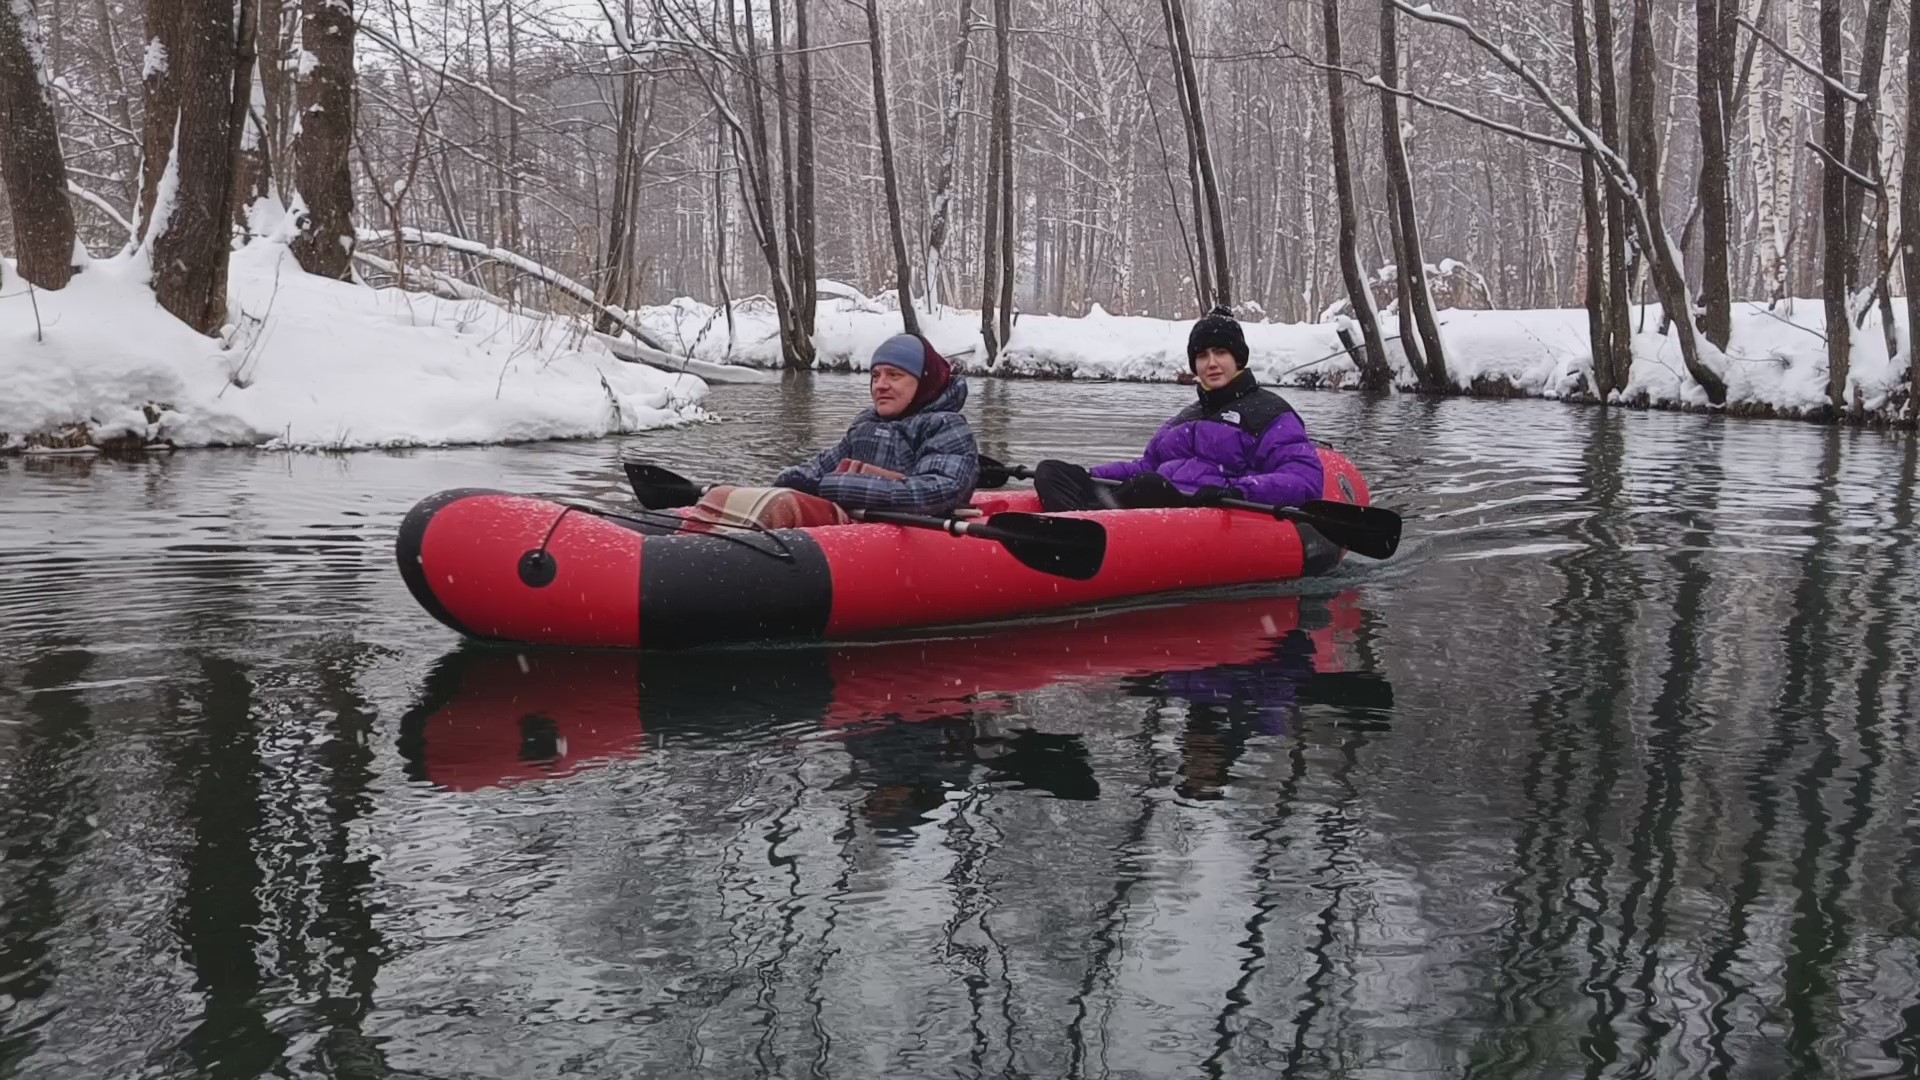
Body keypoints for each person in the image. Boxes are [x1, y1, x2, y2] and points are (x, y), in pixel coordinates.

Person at [1034, 306, 1323, 512]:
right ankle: (1078, 520)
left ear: (1238, 358)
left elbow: (1304, 480)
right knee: (1051, 472)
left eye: (1220, 353)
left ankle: (1086, 522)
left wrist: (1236, 490)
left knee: (1149, 486)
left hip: (1206, 512)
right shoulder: (1185, 417)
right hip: (1154, 504)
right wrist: (1089, 473)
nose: (1211, 363)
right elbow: (1146, 465)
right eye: (1202, 355)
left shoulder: (1270, 413)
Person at [681, 334, 979, 532]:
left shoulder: (945, 426)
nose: (881, 385)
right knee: (728, 494)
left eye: (895, 375)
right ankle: (690, 543)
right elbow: (822, 466)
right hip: (851, 518)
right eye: (875, 376)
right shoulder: (866, 424)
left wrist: (838, 487)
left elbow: (940, 491)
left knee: (779, 506)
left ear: (924, 382)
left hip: (895, 528)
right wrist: (791, 478)